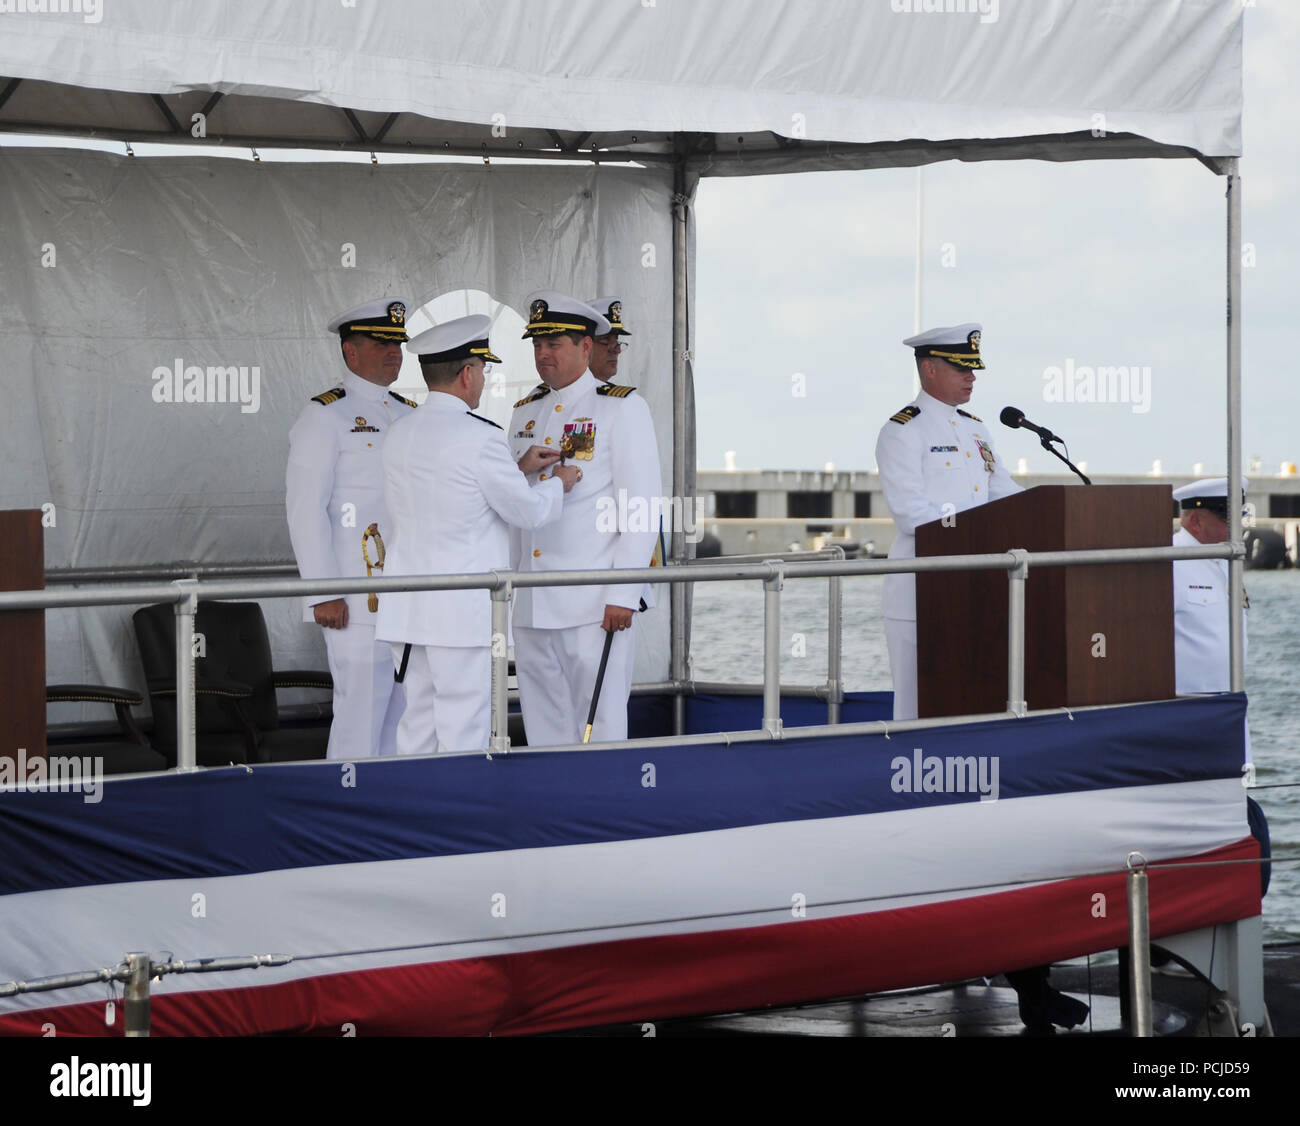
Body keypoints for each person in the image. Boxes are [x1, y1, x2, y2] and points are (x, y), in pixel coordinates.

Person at [375, 315, 577, 756]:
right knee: (463, 733)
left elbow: (449, 492)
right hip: (460, 616)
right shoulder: (481, 437)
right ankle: (452, 821)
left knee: (417, 730)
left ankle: (418, 820)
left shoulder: (398, 432)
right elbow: (529, 513)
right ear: (467, 373)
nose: (483, 381)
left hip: (405, 610)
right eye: (482, 370)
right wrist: (558, 482)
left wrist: (518, 469)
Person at [507, 291, 662, 746]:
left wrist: (623, 593)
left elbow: (640, 506)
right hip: (533, 600)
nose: (542, 353)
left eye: (554, 343)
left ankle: (604, 812)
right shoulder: (523, 412)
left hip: (593, 604)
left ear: (585, 347)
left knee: (599, 726)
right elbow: (510, 502)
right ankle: (551, 811)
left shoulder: (620, 407)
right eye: (537, 344)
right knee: (544, 728)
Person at [286, 297, 415, 759]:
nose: (394, 351)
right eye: (382, 343)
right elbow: (305, 509)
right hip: (355, 595)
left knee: (406, 715)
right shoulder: (325, 416)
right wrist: (323, 591)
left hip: (409, 593)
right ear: (351, 351)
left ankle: (392, 811)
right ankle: (346, 809)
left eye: (398, 342)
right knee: (360, 713)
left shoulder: (409, 411)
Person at [873, 322, 1021, 722]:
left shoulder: (976, 428)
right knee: (917, 706)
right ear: (930, 369)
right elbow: (912, 515)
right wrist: (978, 540)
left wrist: (1058, 509)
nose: (971, 377)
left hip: (975, 585)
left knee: (971, 697)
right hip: (921, 590)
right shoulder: (903, 431)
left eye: (973, 368)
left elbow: (1003, 494)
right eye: (961, 368)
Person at [1171, 476, 1269, 895]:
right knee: (1200, 836)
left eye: (1239, 516)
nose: (1238, 527)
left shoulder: (1223, 561)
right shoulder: (1168, 560)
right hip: (1187, 726)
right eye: (1227, 518)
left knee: (1233, 833)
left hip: (1229, 722)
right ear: (1194, 518)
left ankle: (1224, 922)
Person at [587, 296, 630, 383]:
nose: (617, 350)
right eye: (605, 341)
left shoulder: (619, 396)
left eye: (617, 342)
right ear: (585, 346)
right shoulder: (558, 392)